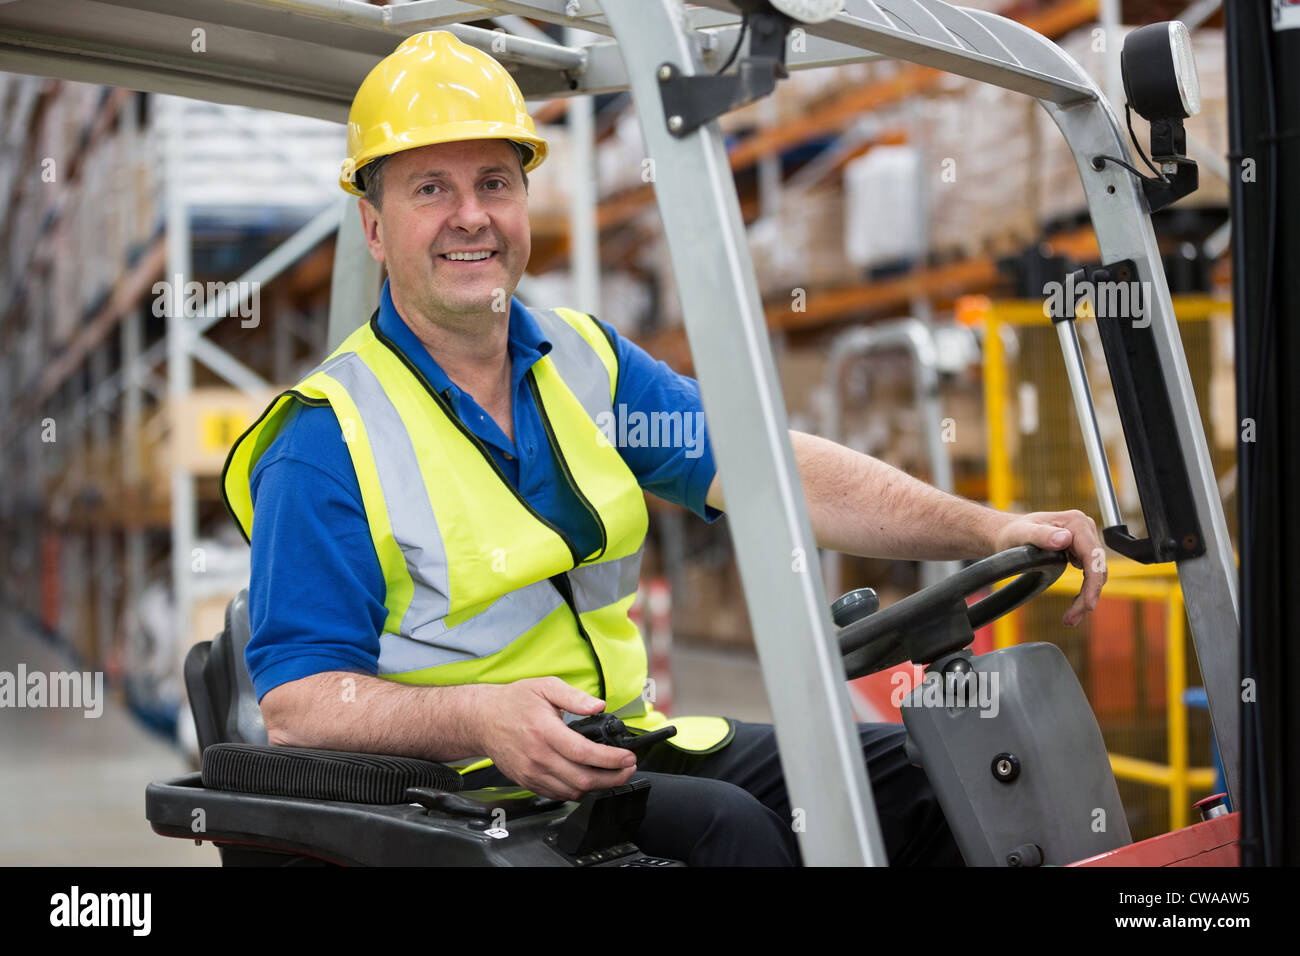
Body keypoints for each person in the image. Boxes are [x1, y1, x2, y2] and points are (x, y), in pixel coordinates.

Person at [222, 30, 1107, 866]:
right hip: (465, 793)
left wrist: (985, 528)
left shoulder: (586, 362)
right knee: (731, 832)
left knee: (935, 776)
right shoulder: (324, 438)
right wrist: (481, 719)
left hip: (623, 744)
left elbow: (771, 470)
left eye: (495, 183)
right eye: (430, 190)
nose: (471, 217)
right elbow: (301, 707)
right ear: (374, 228)